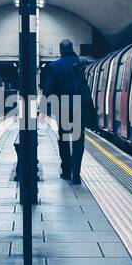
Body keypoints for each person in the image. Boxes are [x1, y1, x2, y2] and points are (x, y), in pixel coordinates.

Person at [42, 38, 96, 184]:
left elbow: (47, 90)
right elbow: (86, 88)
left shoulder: (54, 67)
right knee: (78, 141)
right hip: (79, 106)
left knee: (64, 140)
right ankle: (76, 175)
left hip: (63, 108)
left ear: (60, 50)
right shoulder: (82, 63)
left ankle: (66, 171)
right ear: (73, 48)